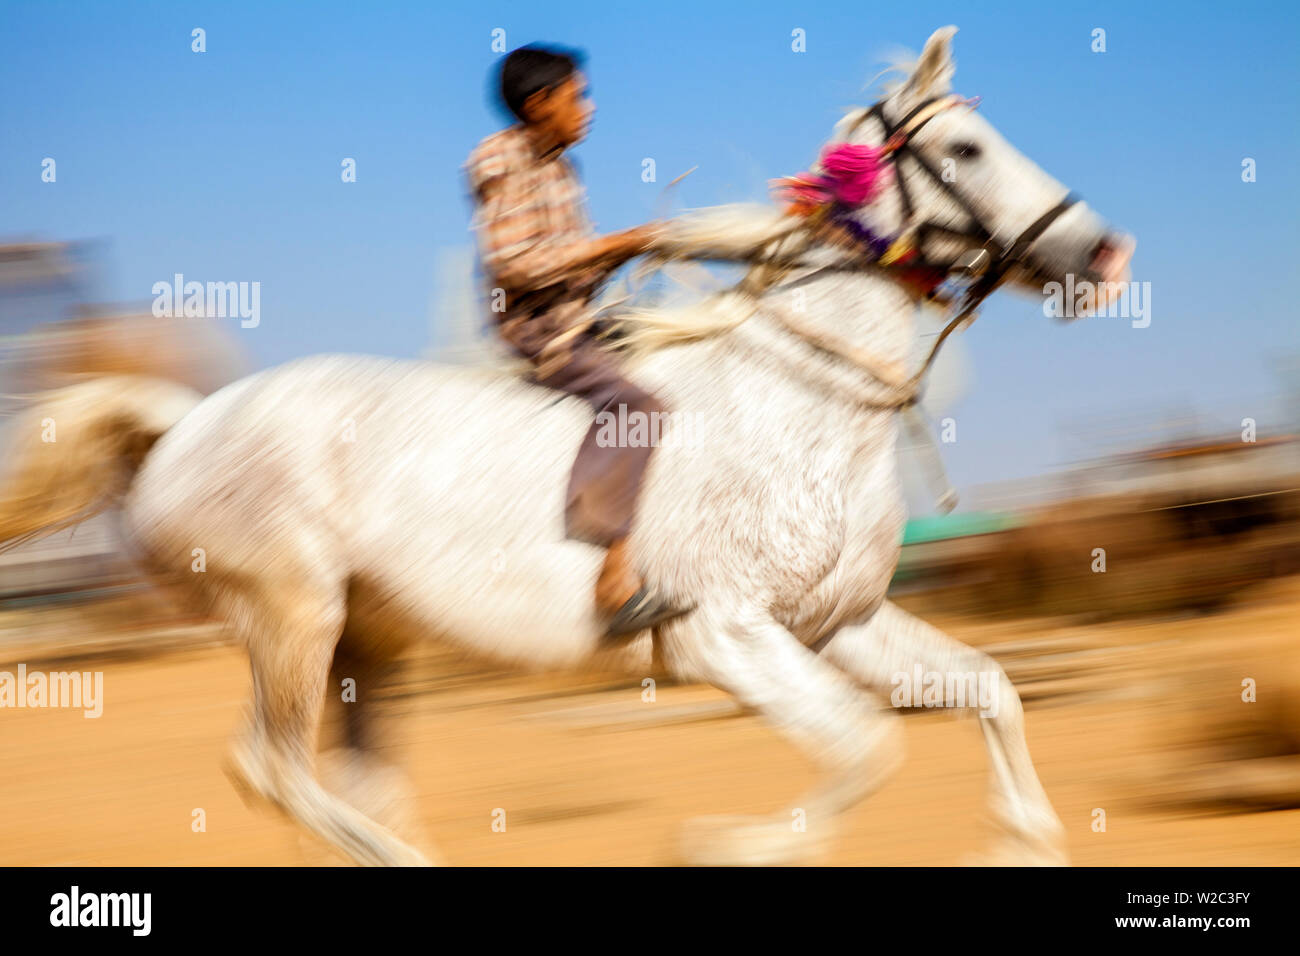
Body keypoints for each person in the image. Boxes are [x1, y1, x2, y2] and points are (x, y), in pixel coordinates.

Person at [464, 44, 688, 637]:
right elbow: (514, 264)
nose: (587, 108)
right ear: (539, 104)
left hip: (578, 316)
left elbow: (573, 267)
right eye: (577, 96)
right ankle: (614, 581)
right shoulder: (498, 159)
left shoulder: (564, 167)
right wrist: (617, 245)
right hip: (540, 332)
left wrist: (635, 253)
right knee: (640, 406)